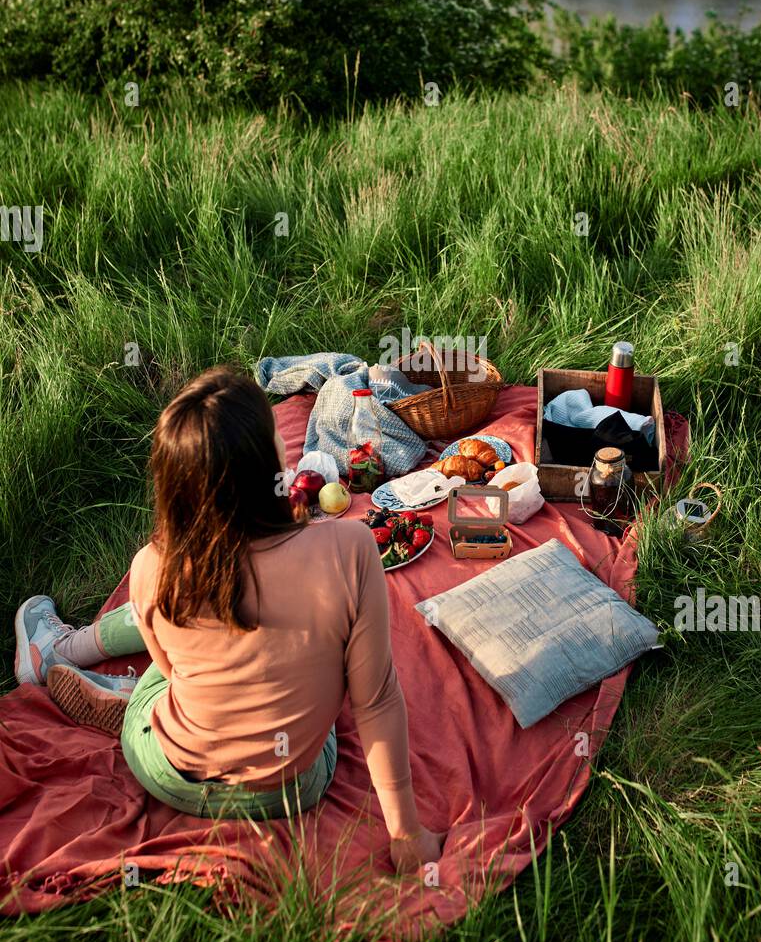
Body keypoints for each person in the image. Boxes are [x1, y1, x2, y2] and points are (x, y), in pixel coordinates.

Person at [14, 366, 443, 874]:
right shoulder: (350, 550)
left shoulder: (152, 565)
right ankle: (89, 669)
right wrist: (407, 833)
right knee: (318, 674)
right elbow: (374, 699)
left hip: (171, 773)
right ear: (274, 460)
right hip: (292, 787)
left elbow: (171, 671)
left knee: (177, 663)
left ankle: (67, 655)